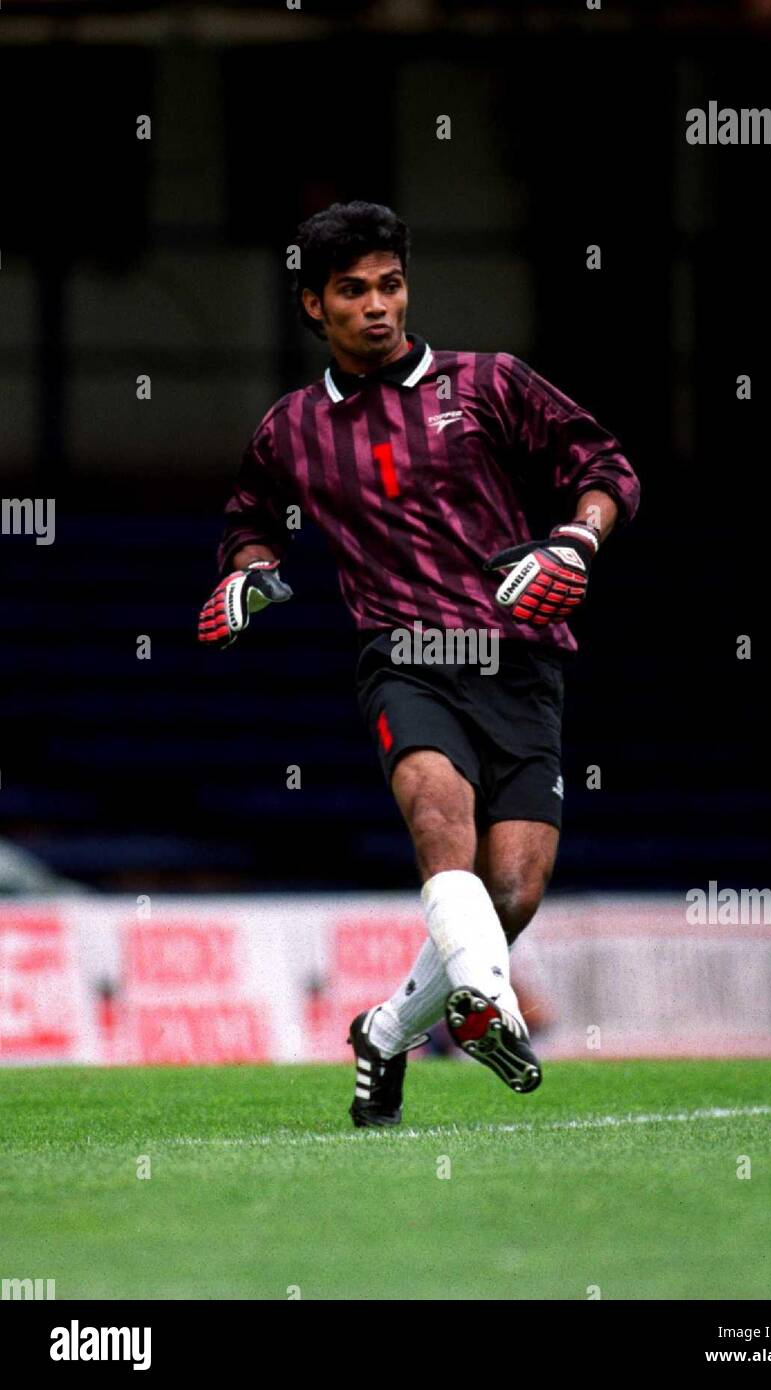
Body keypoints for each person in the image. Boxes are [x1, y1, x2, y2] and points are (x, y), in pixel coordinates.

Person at [198, 200, 640, 1126]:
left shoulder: (490, 383)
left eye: (389, 285)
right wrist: (250, 572)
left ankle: (389, 1030)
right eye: (352, 291)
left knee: (512, 887)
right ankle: (492, 1004)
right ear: (312, 305)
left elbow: (606, 467)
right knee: (439, 810)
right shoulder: (290, 430)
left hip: (518, 660)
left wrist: (576, 542)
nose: (377, 307)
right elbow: (248, 519)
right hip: (403, 656)